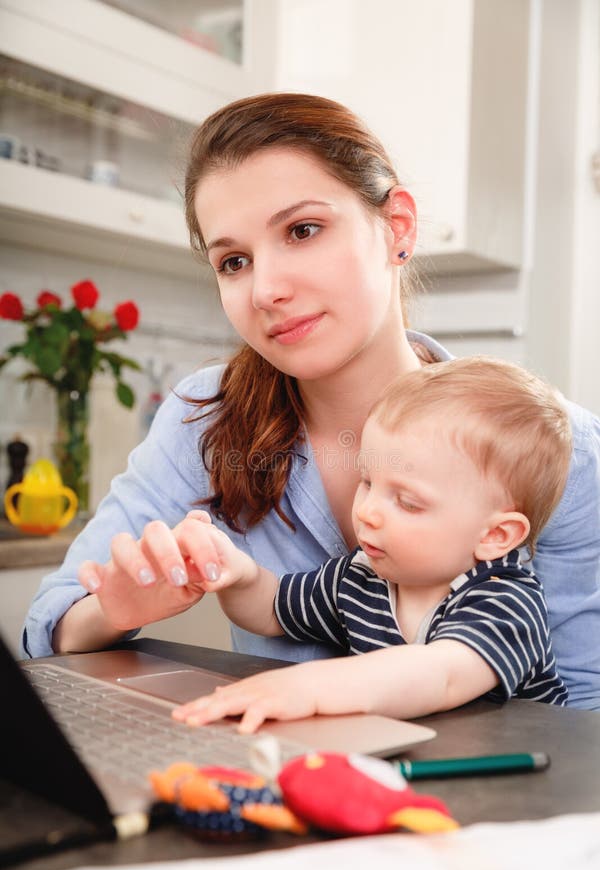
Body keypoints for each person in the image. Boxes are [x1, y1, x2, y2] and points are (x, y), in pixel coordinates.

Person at [22, 93, 600, 711]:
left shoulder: (562, 449)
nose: (267, 290)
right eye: (234, 261)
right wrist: (115, 607)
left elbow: (585, 720)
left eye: (303, 230)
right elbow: (47, 626)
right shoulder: (204, 417)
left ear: (396, 228)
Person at [166, 356, 571, 732]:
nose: (368, 512)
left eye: (408, 502)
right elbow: (271, 608)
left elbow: (441, 675)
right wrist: (236, 574)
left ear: (495, 536)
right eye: (367, 481)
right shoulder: (362, 576)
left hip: (514, 788)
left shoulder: (507, 600)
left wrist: (309, 687)